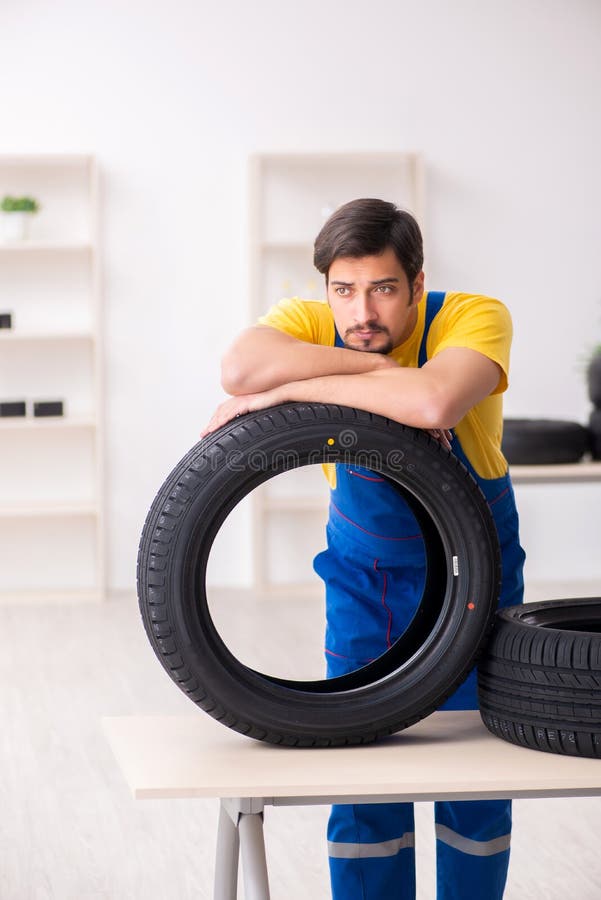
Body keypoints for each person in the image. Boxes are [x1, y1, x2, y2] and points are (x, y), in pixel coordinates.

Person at [202, 198, 525, 900]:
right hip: (364, 579)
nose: (361, 314)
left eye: (381, 288)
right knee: (358, 770)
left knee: (474, 775)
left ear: (415, 282)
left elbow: (438, 404)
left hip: (479, 574)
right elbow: (239, 369)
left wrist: (293, 387)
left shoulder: (474, 316)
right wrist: (389, 385)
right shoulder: (312, 319)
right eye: (343, 290)